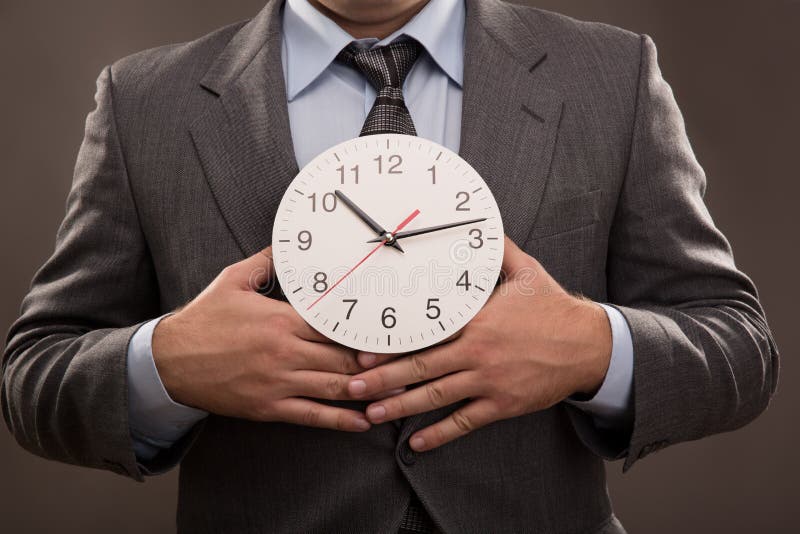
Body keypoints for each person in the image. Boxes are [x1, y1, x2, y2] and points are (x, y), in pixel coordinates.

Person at [2, 0, 779, 532]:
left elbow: (739, 349)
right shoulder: (146, 102)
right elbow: (34, 377)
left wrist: (592, 347)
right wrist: (163, 363)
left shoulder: (610, 75)